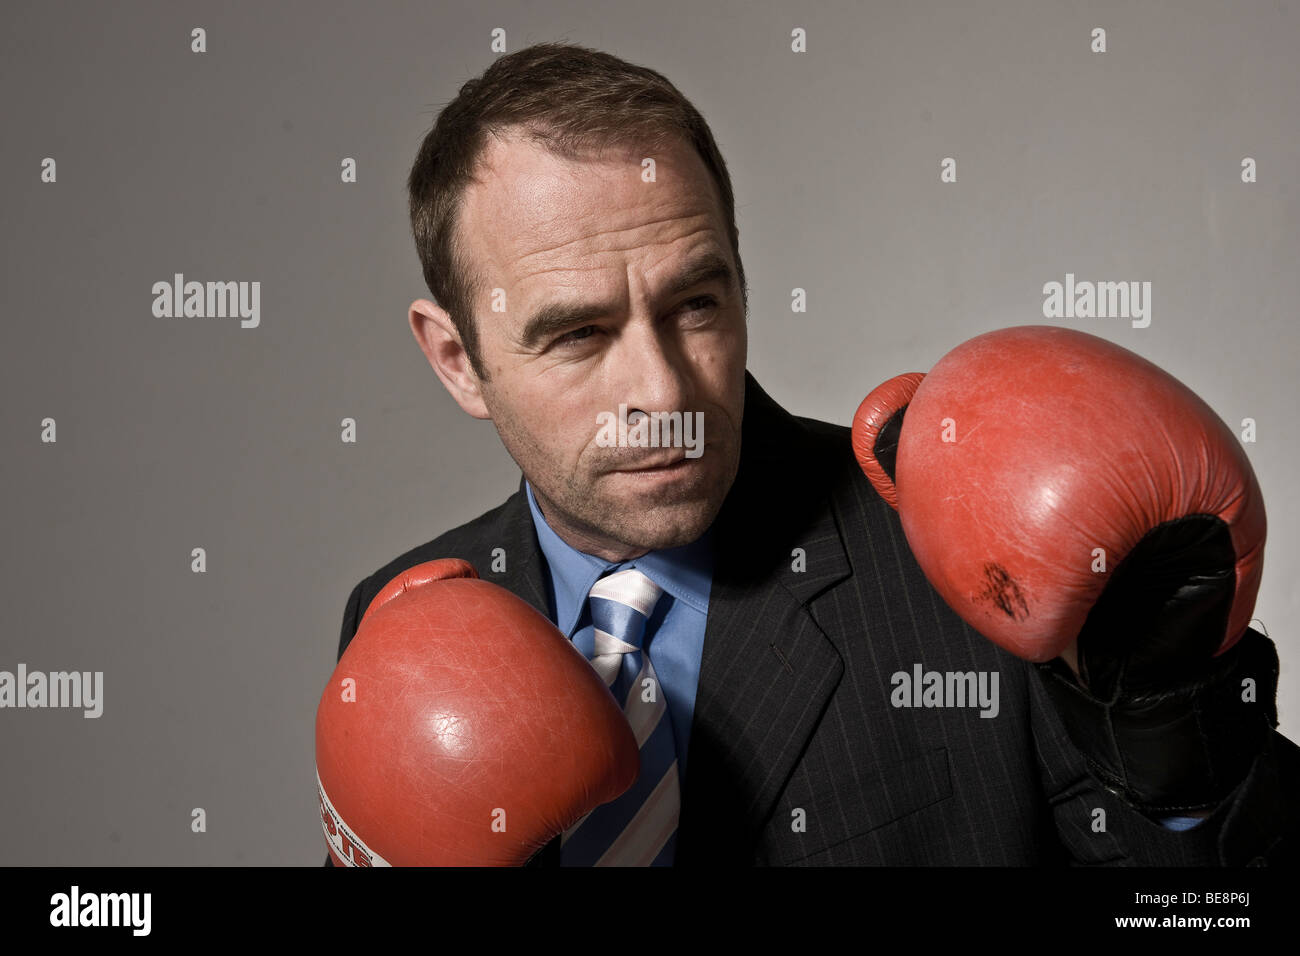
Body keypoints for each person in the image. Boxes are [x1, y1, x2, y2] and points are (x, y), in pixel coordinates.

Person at [325, 42, 1300, 866]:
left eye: (695, 304)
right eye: (578, 334)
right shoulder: (399, 611)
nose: (663, 392)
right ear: (458, 359)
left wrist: (1173, 729)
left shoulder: (965, 562)